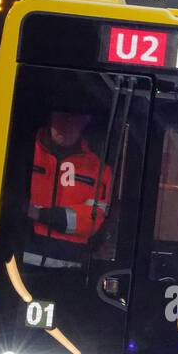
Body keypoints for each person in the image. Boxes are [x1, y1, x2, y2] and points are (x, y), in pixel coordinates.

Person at [23, 107, 113, 268]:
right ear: (51, 115)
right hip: (20, 262)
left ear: (86, 120)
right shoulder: (21, 152)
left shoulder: (99, 170)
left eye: (73, 117)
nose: (65, 124)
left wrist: (39, 214)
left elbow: (93, 218)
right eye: (62, 115)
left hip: (69, 269)